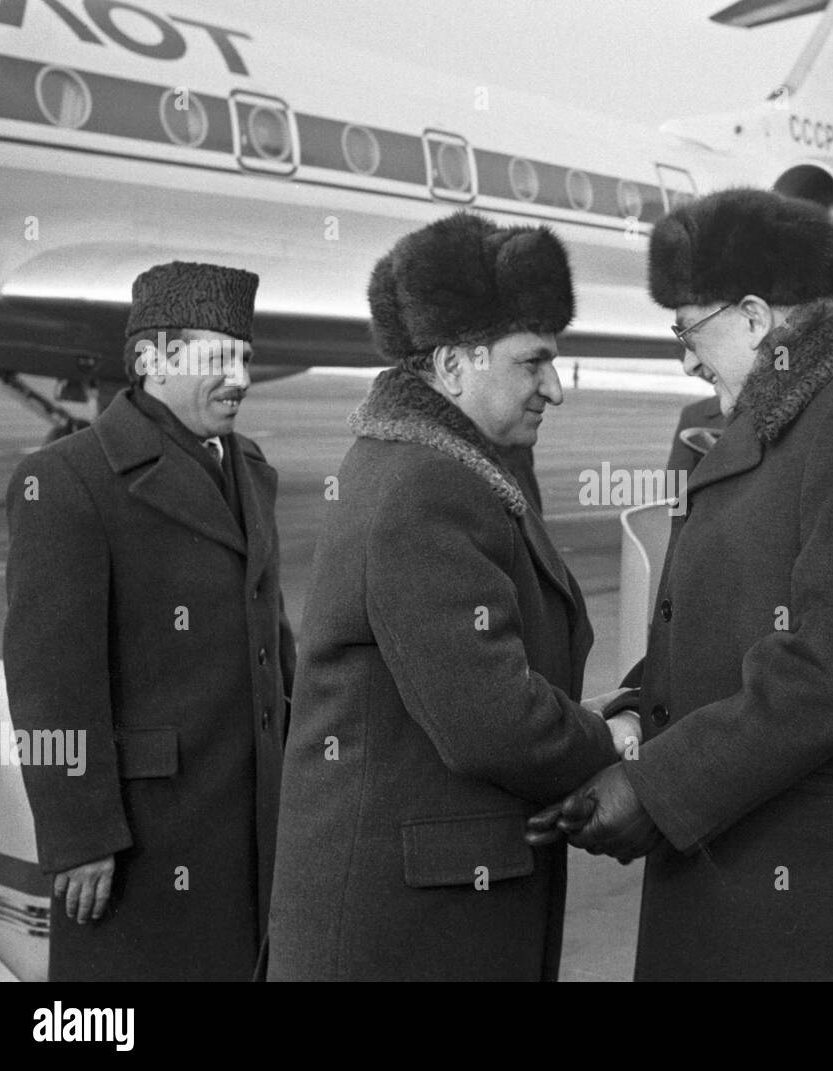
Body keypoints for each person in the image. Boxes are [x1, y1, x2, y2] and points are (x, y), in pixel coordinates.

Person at [530, 187, 833, 981]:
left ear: (756, 317)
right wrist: (634, 711)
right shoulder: (772, 419)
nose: (686, 356)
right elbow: (706, 620)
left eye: (689, 329)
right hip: (764, 884)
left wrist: (657, 786)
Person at [267, 213, 630, 982]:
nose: (555, 388)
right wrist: (616, 742)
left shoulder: (455, 467)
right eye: (534, 362)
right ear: (457, 363)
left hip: (437, 906)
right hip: (403, 931)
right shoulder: (425, 486)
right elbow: (493, 724)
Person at [3, 261, 295, 981]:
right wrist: (80, 833)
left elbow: (272, 643)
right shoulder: (72, 480)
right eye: (217, 358)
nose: (240, 379)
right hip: (143, 834)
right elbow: (48, 678)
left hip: (251, 814)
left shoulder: (250, 468)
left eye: (246, 358)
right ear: (150, 359)